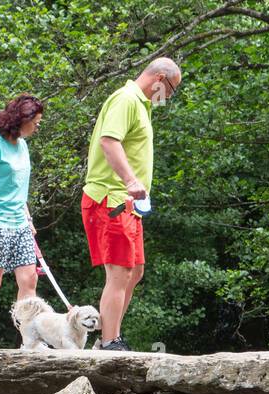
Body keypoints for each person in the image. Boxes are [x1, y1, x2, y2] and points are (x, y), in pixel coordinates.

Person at [80, 58, 182, 350]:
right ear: (160, 78)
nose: (169, 97)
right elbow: (109, 141)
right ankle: (110, 341)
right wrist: (130, 180)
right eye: (171, 90)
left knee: (135, 271)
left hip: (128, 205)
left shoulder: (142, 104)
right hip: (111, 199)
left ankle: (110, 337)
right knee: (120, 272)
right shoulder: (126, 99)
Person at [0, 94, 45, 348]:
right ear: (21, 119)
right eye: (35, 122)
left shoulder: (23, 145)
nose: (37, 127)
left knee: (29, 280)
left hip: (19, 222)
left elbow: (19, 187)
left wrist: (28, 216)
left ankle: (30, 341)